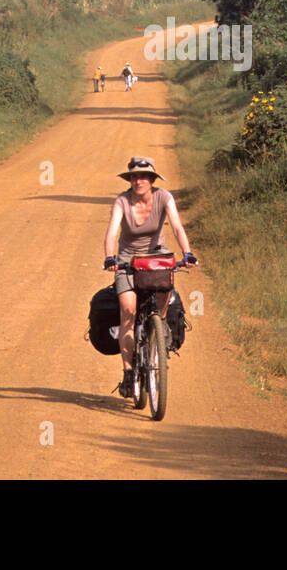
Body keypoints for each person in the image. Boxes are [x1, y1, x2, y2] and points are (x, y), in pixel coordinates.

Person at [102, 156, 197, 397]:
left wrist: (188, 253)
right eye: (134, 176)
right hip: (128, 260)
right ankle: (128, 372)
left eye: (143, 176)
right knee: (128, 314)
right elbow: (112, 232)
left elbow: (176, 226)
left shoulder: (164, 197)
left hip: (156, 257)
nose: (138, 180)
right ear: (129, 180)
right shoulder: (122, 201)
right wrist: (110, 257)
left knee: (165, 293)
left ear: (152, 179)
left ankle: (160, 324)